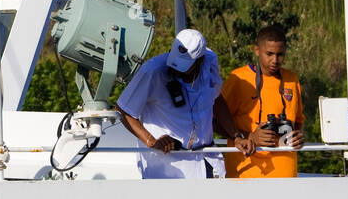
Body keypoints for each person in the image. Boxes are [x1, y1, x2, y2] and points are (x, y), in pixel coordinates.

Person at [116, 28, 235, 179]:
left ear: (200, 61)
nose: (175, 69)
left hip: (207, 161)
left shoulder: (210, 61)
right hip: (167, 169)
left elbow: (217, 98)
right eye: (174, 62)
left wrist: (235, 135)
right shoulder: (152, 71)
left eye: (184, 66)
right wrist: (151, 141)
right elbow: (123, 110)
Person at [216, 25, 305, 178]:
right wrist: (248, 137)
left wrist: (298, 137)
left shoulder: (292, 80)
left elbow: (298, 121)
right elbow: (215, 121)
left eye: (280, 54)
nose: (275, 60)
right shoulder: (239, 79)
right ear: (256, 50)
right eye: (269, 54)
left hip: (285, 171)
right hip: (246, 170)